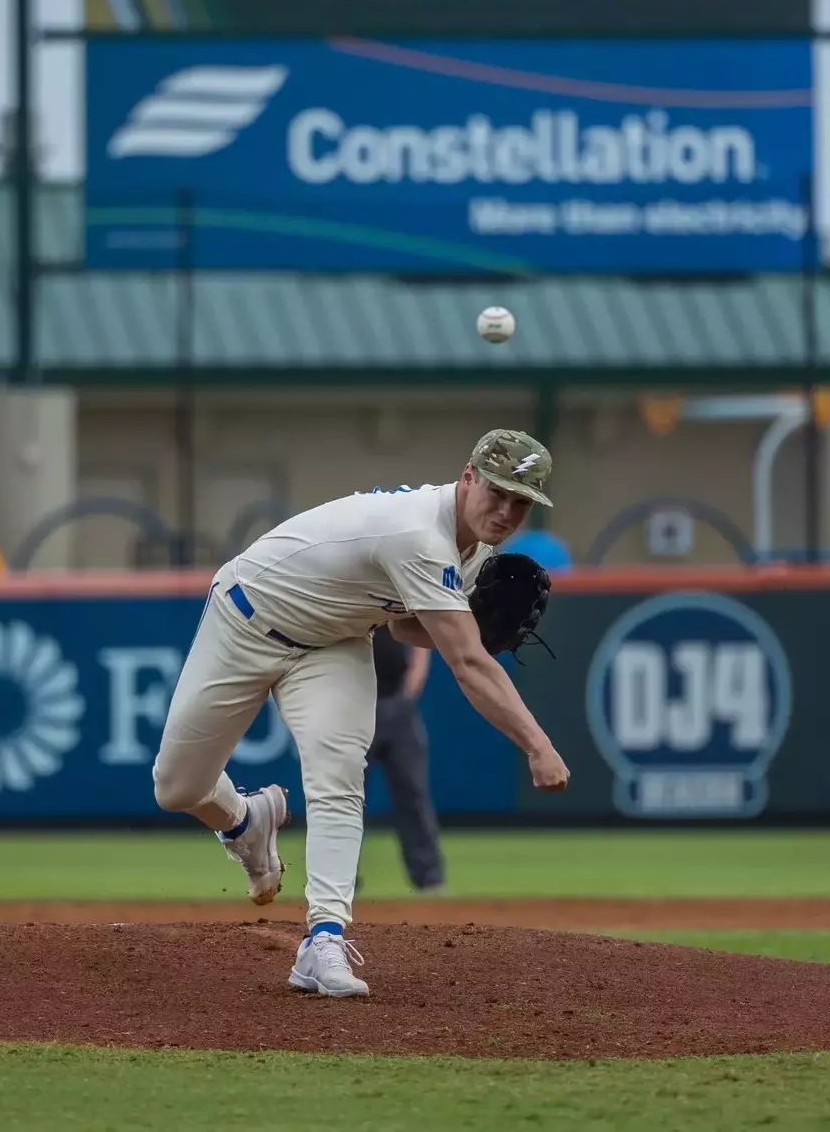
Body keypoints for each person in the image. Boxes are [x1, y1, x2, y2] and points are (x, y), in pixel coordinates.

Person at [151, 428, 570, 998]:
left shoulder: (473, 554)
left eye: (520, 502)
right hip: (247, 619)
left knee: (339, 779)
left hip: (336, 643)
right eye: (496, 491)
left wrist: (463, 626)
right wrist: (538, 746)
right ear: (467, 476)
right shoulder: (420, 534)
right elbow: (468, 665)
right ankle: (247, 823)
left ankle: (323, 940)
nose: (505, 510)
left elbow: (400, 624)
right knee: (177, 788)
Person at [366, 625, 444, 893]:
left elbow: (421, 633)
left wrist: (412, 684)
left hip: (397, 703)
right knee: (345, 800)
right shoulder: (347, 591)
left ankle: (429, 879)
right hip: (354, 706)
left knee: (413, 793)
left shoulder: (395, 590)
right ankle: (339, 884)